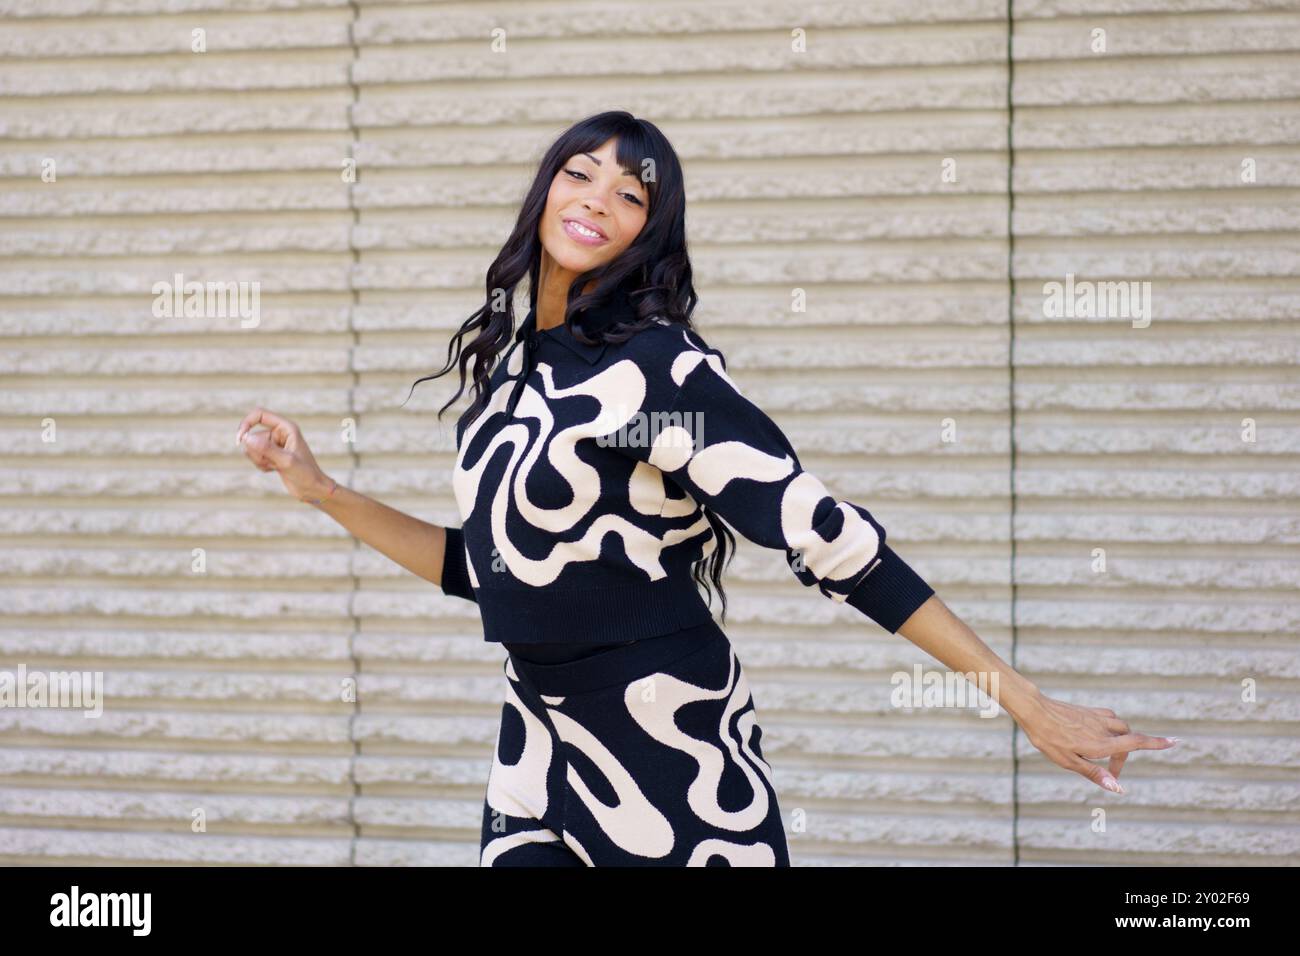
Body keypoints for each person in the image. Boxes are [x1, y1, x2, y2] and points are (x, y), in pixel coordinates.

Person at [236, 111, 1177, 867]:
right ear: (545, 190)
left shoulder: (656, 374)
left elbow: (826, 535)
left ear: (651, 232)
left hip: (667, 737)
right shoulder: (519, 375)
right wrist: (321, 490)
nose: (599, 198)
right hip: (535, 743)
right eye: (580, 172)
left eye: (631, 193)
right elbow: (488, 570)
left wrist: (1021, 699)